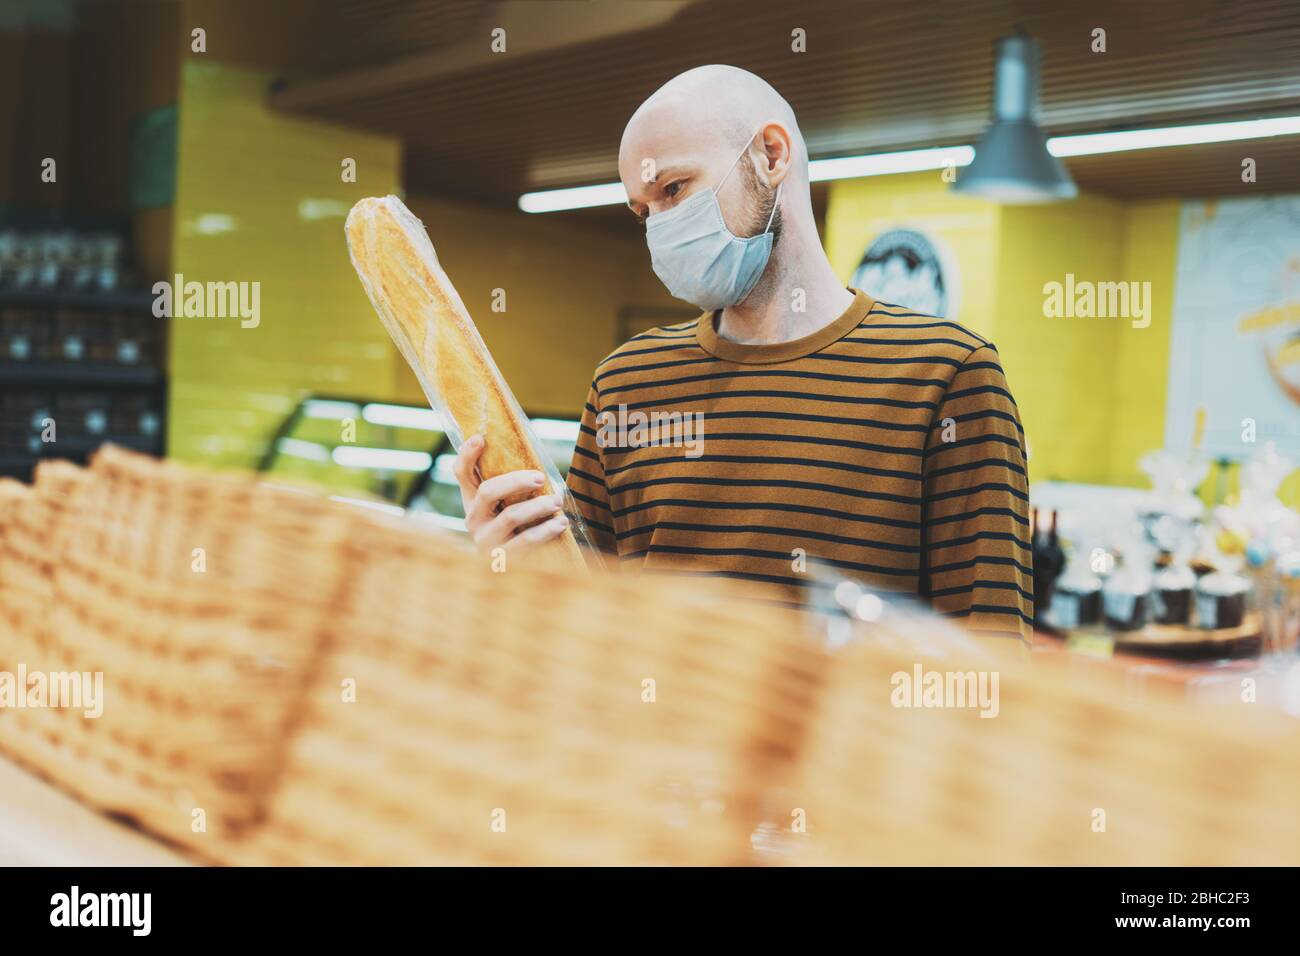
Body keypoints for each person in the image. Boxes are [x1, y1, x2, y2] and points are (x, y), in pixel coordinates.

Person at [453, 64, 1032, 645]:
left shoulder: (947, 374)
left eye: (674, 189)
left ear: (771, 155)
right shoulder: (625, 382)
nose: (660, 229)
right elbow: (579, 634)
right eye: (643, 211)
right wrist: (512, 568)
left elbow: (990, 663)